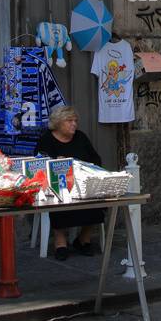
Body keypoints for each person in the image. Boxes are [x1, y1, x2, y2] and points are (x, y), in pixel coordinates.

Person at [35, 104, 104, 261]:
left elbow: (95, 158)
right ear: (58, 123)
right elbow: (40, 165)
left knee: (98, 200)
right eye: (69, 121)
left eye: (75, 121)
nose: (74, 124)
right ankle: (60, 242)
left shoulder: (80, 137)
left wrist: (85, 168)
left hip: (82, 183)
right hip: (57, 185)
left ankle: (83, 239)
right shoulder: (46, 140)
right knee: (60, 198)